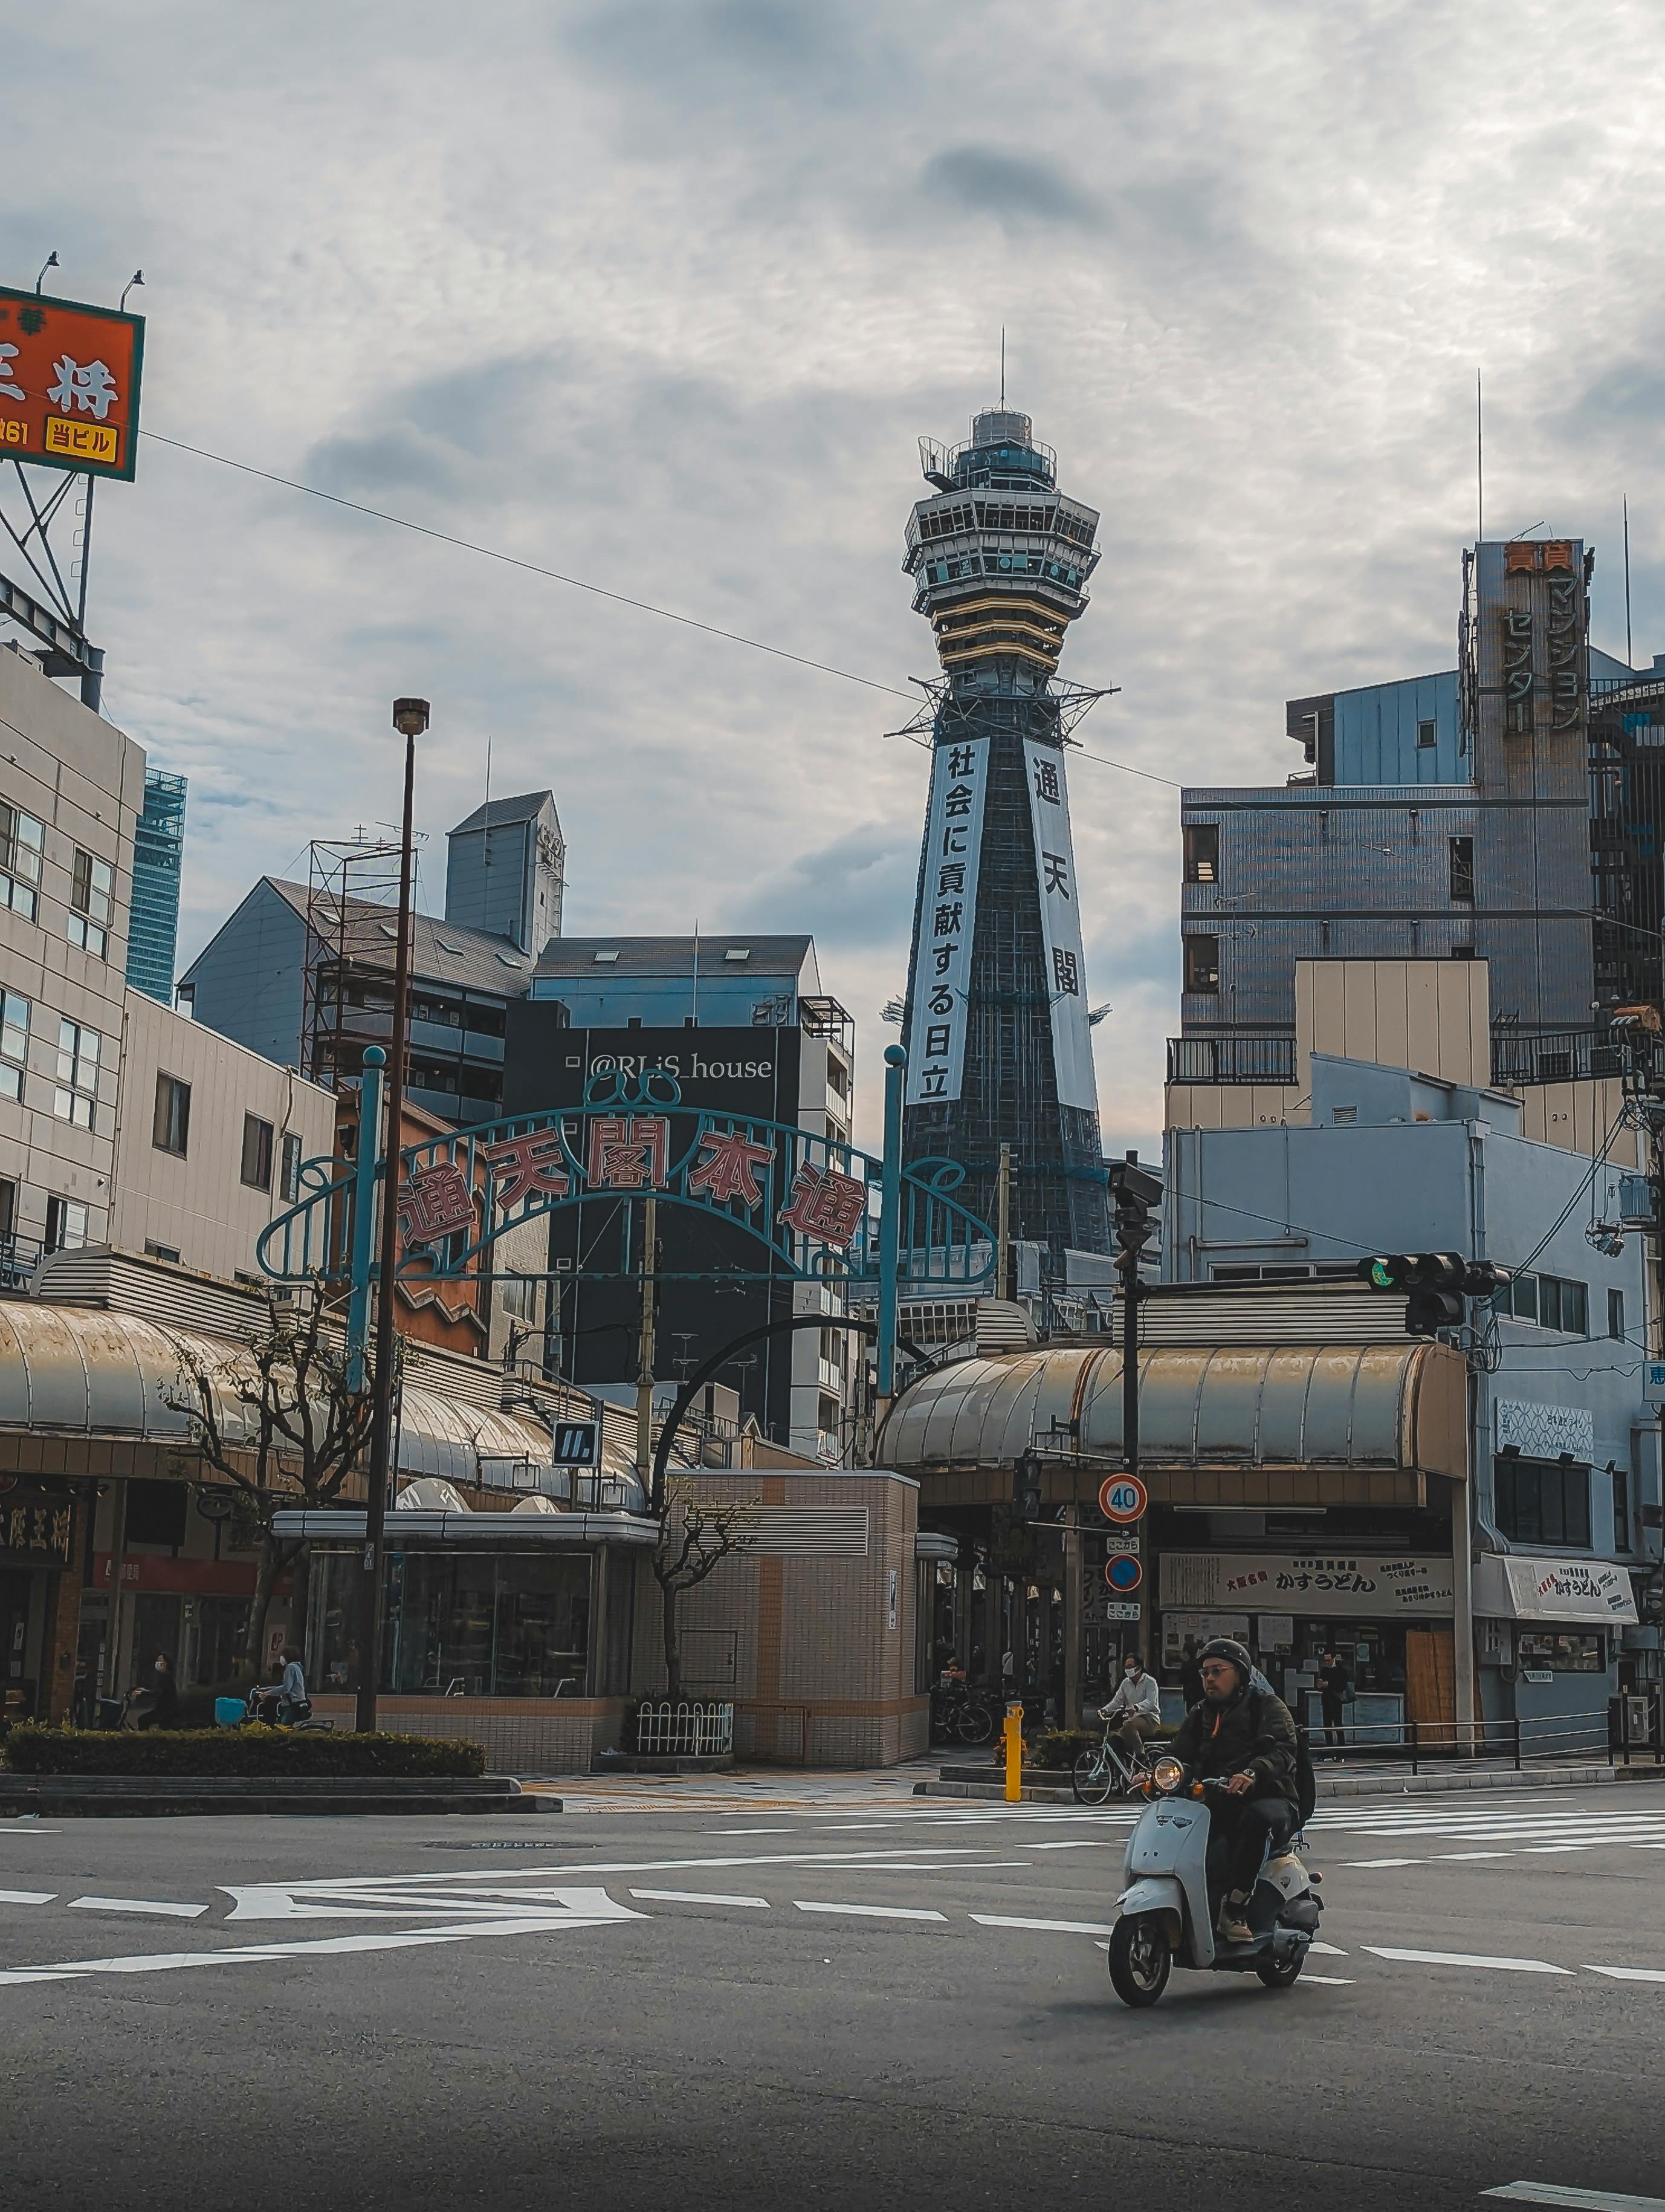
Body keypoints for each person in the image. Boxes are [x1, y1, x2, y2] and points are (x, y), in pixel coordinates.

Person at [1167, 1636, 1299, 1946]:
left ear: (1239, 1673)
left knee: (1255, 1819)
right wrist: (1158, 1769)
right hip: (1218, 1797)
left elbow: (1284, 1750)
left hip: (1272, 1796)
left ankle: (1236, 1908)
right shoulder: (1201, 1713)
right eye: (1204, 1673)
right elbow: (1182, 1754)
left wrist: (1254, 1773)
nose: (1209, 1679)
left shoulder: (1266, 1706)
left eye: (1217, 1671)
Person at [1099, 1651, 1162, 1766]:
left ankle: (1141, 1756)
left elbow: (1151, 1702)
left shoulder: (1150, 1682)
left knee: (1129, 1724)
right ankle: (1121, 1778)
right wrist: (1106, 1710)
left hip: (1149, 1720)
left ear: (1139, 1668)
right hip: (1130, 1721)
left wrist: (1137, 1708)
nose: (1127, 1670)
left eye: (1130, 1667)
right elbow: (1117, 1701)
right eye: (1126, 1667)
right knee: (1115, 1743)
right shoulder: (1125, 1683)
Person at [1317, 1650, 1351, 1751]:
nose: (1327, 1662)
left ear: (1334, 1659)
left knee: (1338, 1725)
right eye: (1325, 1660)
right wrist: (1320, 1685)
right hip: (1326, 1700)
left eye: (1329, 1660)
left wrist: (1328, 1685)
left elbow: (1341, 1686)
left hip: (1336, 1701)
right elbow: (1320, 1686)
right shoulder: (1324, 1670)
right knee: (1327, 1726)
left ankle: (1341, 1749)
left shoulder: (1341, 1671)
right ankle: (1329, 1748)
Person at [1179, 1636, 1204, 1710]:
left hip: (1190, 1695)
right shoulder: (1200, 1664)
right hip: (1201, 1695)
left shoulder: (1186, 1665)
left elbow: (1181, 1680)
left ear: (1187, 1652)